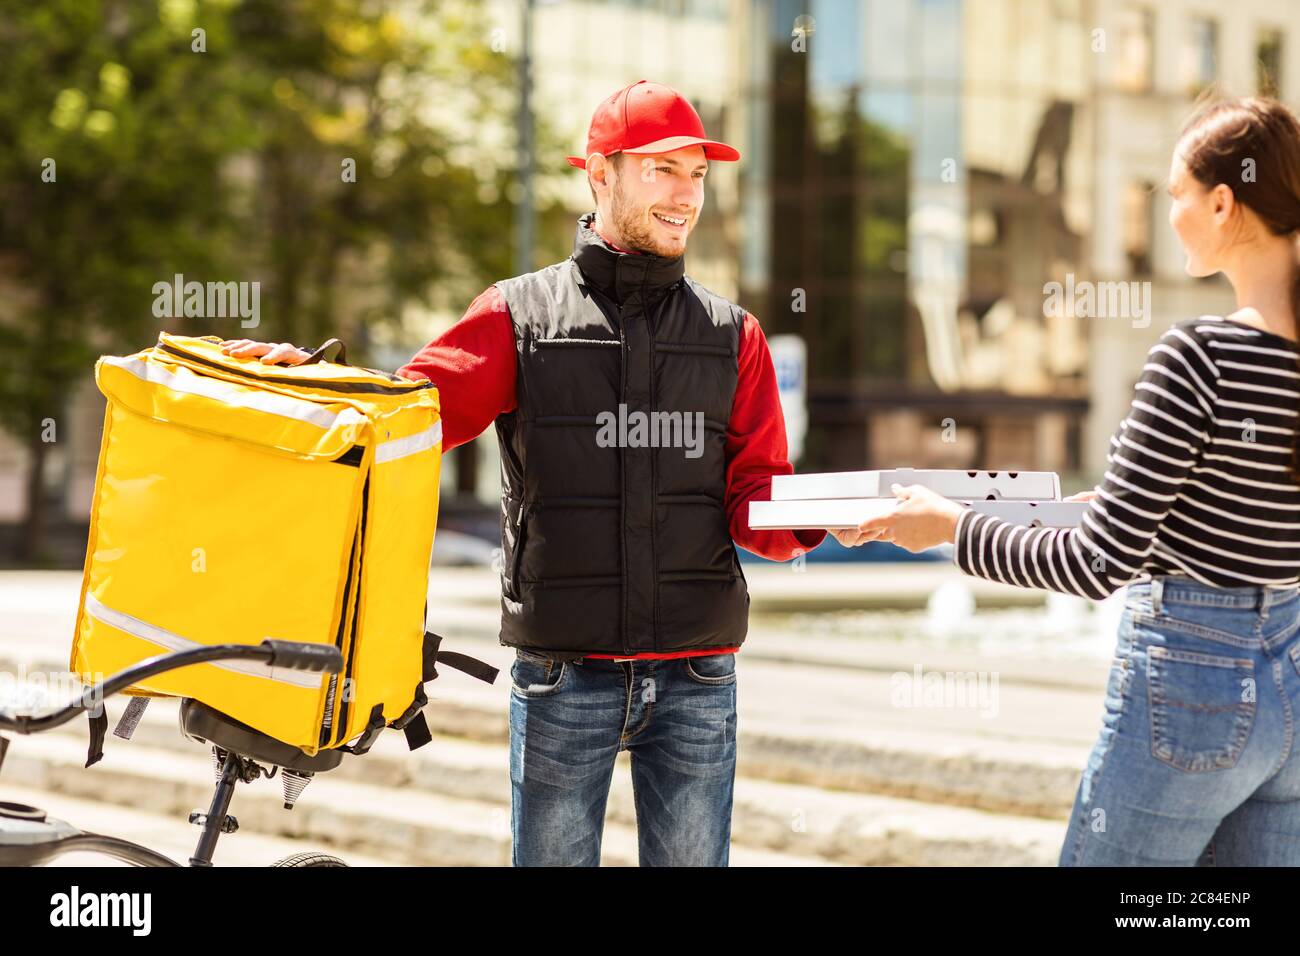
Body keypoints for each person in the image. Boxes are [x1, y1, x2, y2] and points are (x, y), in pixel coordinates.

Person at [219, 79, 825, 866]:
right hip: (564, 678)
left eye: (697, 175)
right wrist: (304, 381)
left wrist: (826, 516)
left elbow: (755, 498)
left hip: (698, 677)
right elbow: (403, 414)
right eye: (661, 171)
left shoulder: (733, 336)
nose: (685, 195)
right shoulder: (519, 315)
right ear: (599, 175)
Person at [835, 97, 1300, 866]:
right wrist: (1125, 512)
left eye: (1176, 195)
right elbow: (1244, 522)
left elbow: (1095, 569)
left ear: (1224, 202)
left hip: (1193, 686)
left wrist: (947, 529)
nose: (1170, 215)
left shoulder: (1198, 356)